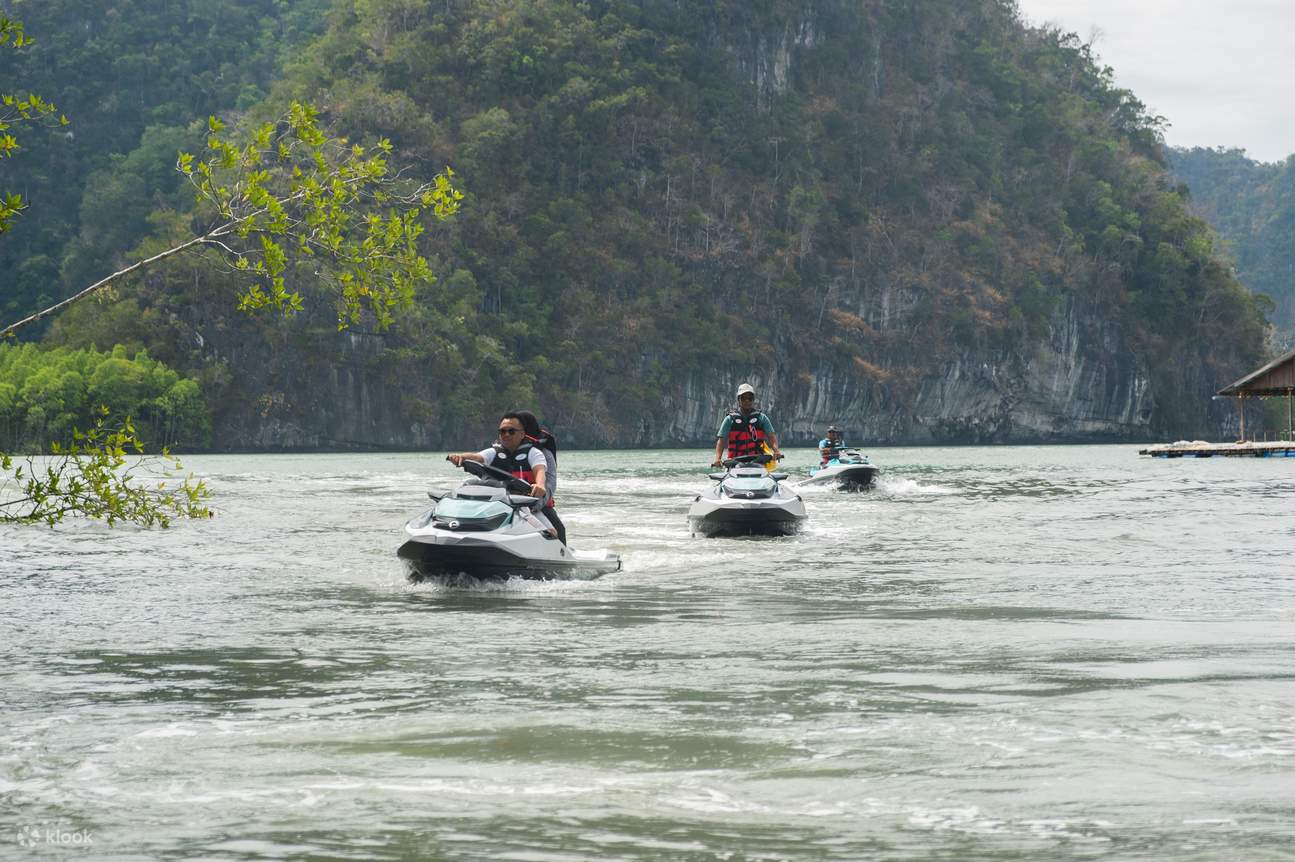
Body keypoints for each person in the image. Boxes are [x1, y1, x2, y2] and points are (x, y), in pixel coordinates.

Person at [446, 411, 565, 545]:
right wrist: (461, 457)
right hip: (501, 503)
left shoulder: (538, 453)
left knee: (555, 531)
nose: (506, 435)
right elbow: (477, 457)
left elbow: (543, 475)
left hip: (532, 504)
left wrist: (539, 490)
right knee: (470, 484)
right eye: (503, 431)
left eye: (511, 431)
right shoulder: (495, 452)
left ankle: (559, 552)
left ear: (523, 433)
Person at [513, 410, 566, 547]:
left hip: (539, 505)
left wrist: (535, 506)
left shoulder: (544, 453)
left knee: (559, 530)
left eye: (516, 428)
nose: (510, 433)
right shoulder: (504, 452)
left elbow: (550, 483)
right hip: (509, 503)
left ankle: (562, 556)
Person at [712, 382, 783, 467]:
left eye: (750, 398)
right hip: (735, 462)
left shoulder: (762, 418)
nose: (747, 401)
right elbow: (721, 441)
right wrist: (718, 459)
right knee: (737, 466)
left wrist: (776, 451)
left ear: (753, 400)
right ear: (738, 400)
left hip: (758, 461)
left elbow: (772, 437)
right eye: (743, 398)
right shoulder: (729, 419)